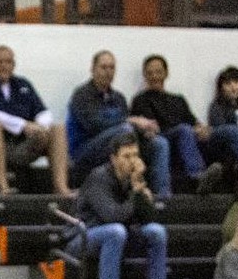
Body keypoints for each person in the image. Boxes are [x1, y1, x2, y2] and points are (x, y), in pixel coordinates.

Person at [0, 45, 72, 196]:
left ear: (13, 65)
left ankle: (61, 188)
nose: (4, 66)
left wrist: (40, 128)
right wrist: (23, 125)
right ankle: (3, 188)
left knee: (58, 128)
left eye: (8, 62)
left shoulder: (22, 84)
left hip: (21, 144)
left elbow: (43, 112)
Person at [130, 55, 238, 195]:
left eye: (158, 72)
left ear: (166, 73)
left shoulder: (178, 99)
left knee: (223, 132)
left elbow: (193, 122)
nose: (154, 76)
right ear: (145, 75)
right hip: (162, 138)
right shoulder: (140, 100)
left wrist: (202, 129)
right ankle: (198, 176)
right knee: (184, 130)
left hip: (185, 137)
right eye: (150, 73)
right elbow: (149, 128)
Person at [75, 132, 169, 279]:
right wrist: (136, 193)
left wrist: (143, 197)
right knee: (116, 231)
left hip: (121, 235)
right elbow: (112, 217)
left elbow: (149, 219)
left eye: (135, 155)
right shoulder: (98, 177)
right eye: (126, 156)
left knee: (157, 231)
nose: (132, 161)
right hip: (84, 236)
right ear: (114, 159)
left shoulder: (134, 179)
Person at [68, 51, 171, 194]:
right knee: (125, 131)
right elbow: (94, 125)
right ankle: (131, 187)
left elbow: (128, 126)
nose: (108, 72)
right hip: (85, 151)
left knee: (159, 143)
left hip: (115, 143)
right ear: (92, 69)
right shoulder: (82, 95)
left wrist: (144, 131)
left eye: (112, 68)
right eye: (103, 67)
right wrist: (132, 121)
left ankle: (163, 198)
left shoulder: (118, 98)